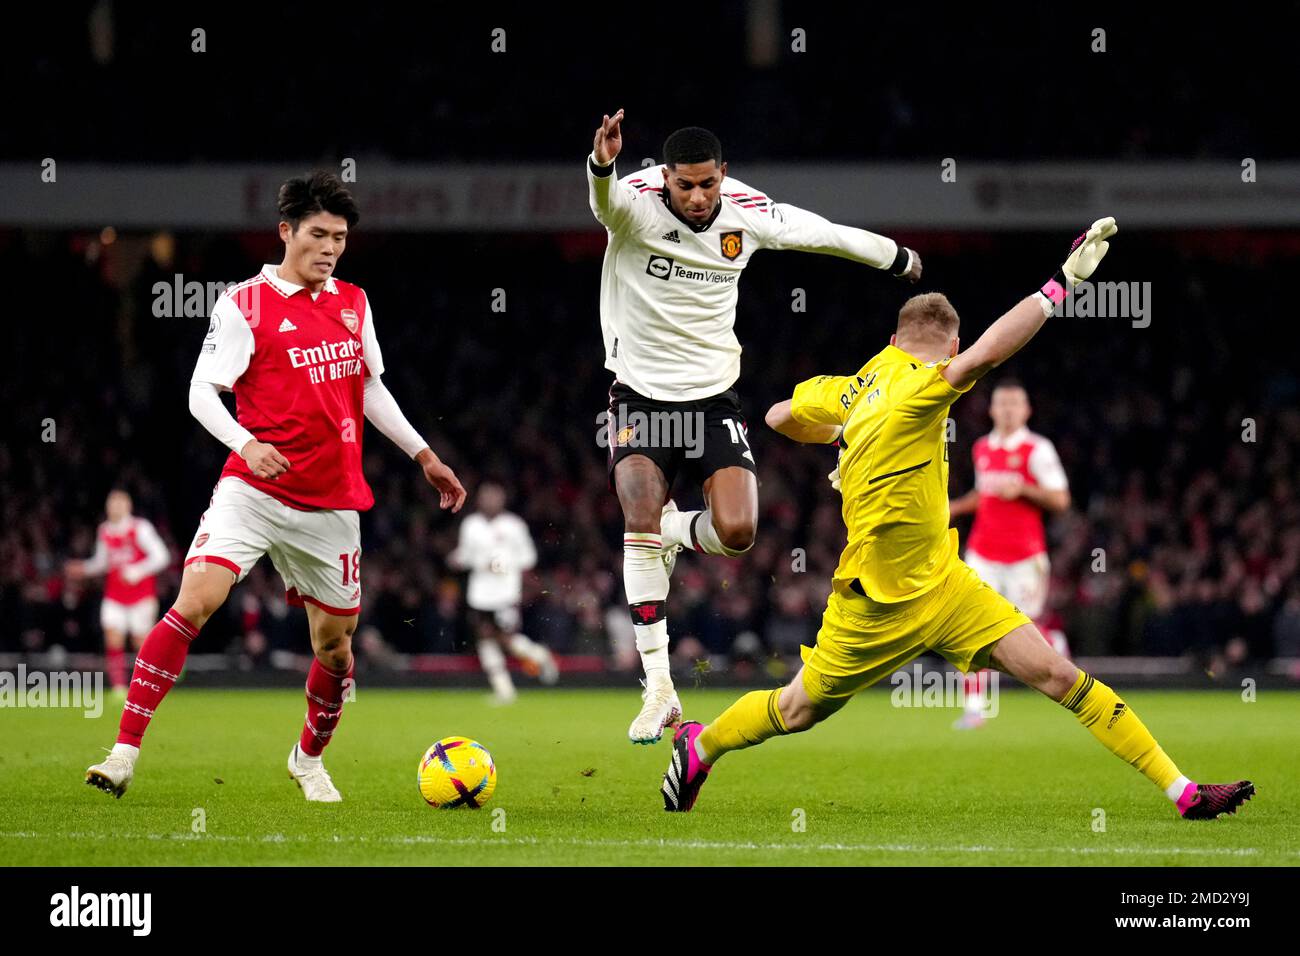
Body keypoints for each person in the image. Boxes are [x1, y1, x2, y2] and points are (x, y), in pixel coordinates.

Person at [662, 218, 1254, 822]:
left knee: (1050, 671)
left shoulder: (850, 389)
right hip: (876, 606)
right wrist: (1060, 285)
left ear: (893, 340)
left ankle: (1184, 793)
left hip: (945, 585)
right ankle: (698, 744)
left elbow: (778, 414)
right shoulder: (925, 387)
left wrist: (838, 435)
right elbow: (992, 350)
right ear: (949, 346)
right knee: (802, 709)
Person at [85, 171, 466, 802]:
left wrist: (423, 454)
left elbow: (369, 387)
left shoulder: (354, 302)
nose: (330, 248)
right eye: (318, 234)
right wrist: (246, 444)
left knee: (336, 650)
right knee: (195, 601)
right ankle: (123, 752)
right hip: (254, 490)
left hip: (334, 502)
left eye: (340, 237)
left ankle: (308, 758)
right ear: (286, 232)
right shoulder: (244, 304)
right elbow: (199, 392)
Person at [588, 109, 921, 743]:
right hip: (638, 395)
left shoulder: (746, 212)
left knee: (738, 533)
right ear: (664, 178)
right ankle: (658, 687)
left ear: (723, 176)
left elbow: (821, 234)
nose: (696, 196)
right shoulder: (632, 203)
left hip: (713, 399)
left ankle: (674, 529)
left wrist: (895, 256)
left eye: (707, 184)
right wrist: (601, 163)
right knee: (636, 512)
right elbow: (602, 202)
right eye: (684, 185)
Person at [948, 379, 1071, 728]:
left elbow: (1061, 500)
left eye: (1014, 404)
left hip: (1024, 557)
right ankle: (975, 706)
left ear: (1027, 410)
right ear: (991, 409)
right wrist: (953, 508)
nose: (1007, 410)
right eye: (1001, 404)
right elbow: (982, 494)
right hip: (983, 552)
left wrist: (1024, 489)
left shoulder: (1038, 449)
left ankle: (1054, 641)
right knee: (970, 626)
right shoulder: (982, 447)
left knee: (1025, 630)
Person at [448, 482, 557, 702]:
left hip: (506, 592)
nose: (490, 501)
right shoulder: (471, 525)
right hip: (479, 594)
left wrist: (504, 565)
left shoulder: (514, 525)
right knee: (485, 637)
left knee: (506, 638)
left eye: (494, 497)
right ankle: (503, 689)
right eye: (486, 497)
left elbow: (529, 557)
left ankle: (541, 657)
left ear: (502, 500)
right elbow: (466, 555)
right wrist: (457, 559)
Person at [65, 489, 172, 694]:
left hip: (141, 596)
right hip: (114, 595)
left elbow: (162, 556)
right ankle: (119, 687)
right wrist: (83, 569)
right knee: (113, 638)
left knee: (140, 642)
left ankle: (150, 683)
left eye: (119, 503)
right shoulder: (104, 530)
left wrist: (137, 571)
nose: (115, 507)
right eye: (112, 503)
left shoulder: (140, 528)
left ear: (128, 506)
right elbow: (103, 562)